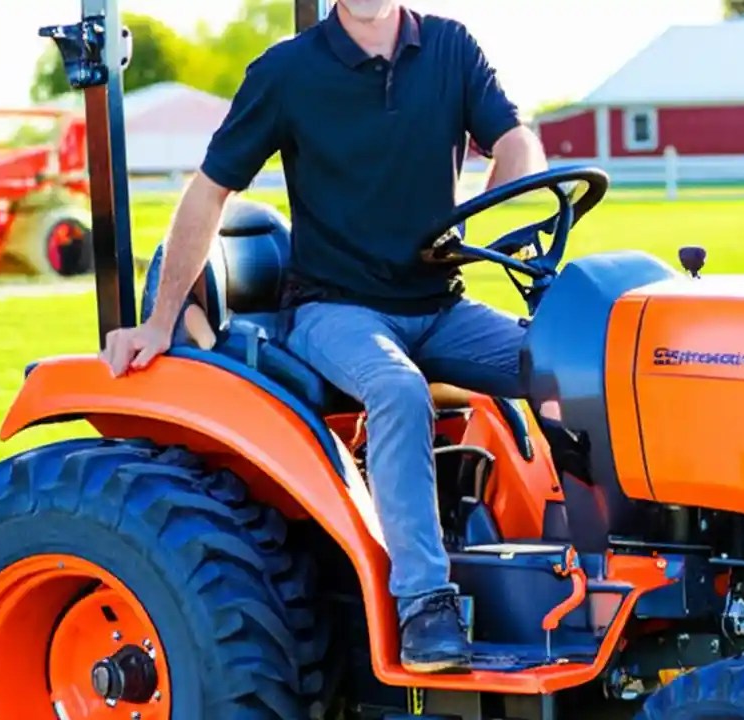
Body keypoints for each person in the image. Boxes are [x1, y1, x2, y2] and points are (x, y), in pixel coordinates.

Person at [102, 0, 549, 674]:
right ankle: (425, 604)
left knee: (563, 362)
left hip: (441, 303)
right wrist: (161, 320)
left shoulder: (452, 48)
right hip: (336, 310)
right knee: (397, 388)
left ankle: (605, 563)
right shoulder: (288, 72)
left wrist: (478, 233)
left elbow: (517, 144)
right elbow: (207, 193)